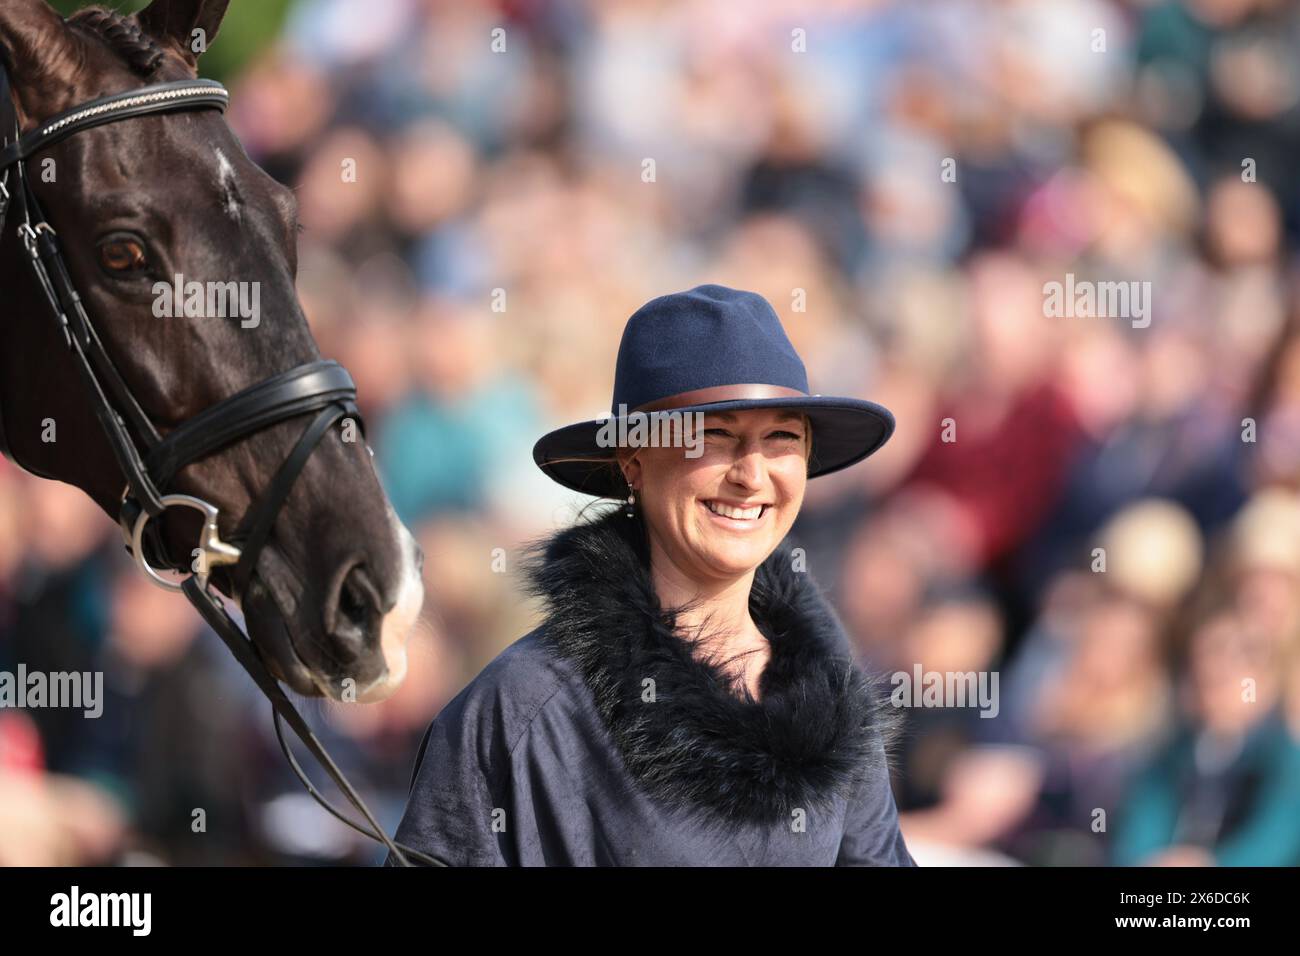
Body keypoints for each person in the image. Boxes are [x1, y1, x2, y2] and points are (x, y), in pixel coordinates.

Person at [389, 284, 916, 865]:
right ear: (634, 462)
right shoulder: (522, 706)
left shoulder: (829, 695)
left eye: (782, 438)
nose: (751, 474)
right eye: (713, 436)